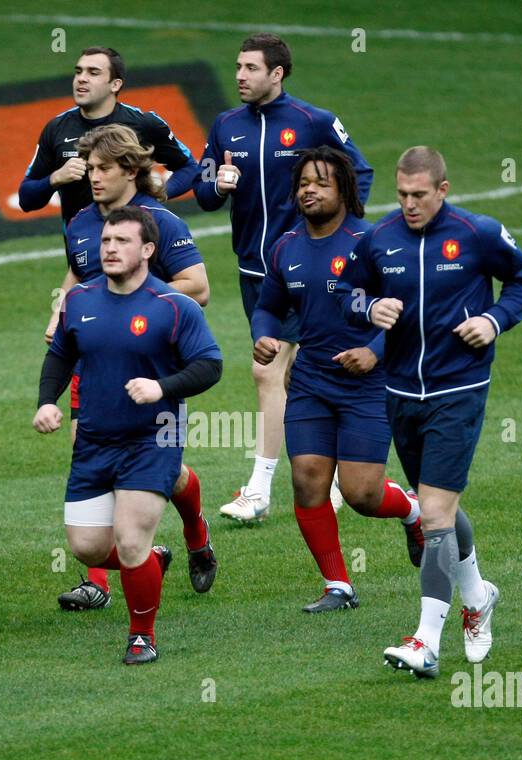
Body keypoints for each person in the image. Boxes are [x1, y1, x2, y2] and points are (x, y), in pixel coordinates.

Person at [341, 146, 522, 677]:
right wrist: (368, 307)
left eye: (419, 195)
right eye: (402, 195)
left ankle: (425, 642)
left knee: (432, 516)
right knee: (440, 510)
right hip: (401, 393)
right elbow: (349, 290)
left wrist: (495, 320)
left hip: (459, 390)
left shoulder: (478, 234)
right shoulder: (380, 240)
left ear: (443, 190)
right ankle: (478, 598)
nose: (408, 204)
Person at [194, 32, 372, 522]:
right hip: (254, 270)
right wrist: (216, 183)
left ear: (277, 73)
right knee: (298, 372)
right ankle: (335, 475)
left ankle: (258, 487)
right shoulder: (226, 125)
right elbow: (205, 196)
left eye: (250, 68)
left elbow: (362, 173)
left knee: (266, 370)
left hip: (304, 272)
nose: (239, 76)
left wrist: (332, 240)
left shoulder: (312, 121)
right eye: (237, 66)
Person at [34, 206, 222, 664]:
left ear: (148, 250)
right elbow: (61, 355)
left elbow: (210, 364)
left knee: (131, 539)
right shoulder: (79, 300)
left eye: (121, 241)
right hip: (95, 441)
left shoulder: (174, 306)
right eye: (105, 242)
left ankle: (142, 635)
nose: (110, 249)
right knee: (89, 547)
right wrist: (46, 401)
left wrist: (163, 387)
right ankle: (151, 565)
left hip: (152, 439)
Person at [251, 147, 425, 612]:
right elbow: (269, 306)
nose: (309, 189)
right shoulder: (286, 246)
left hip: (368, 385)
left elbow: (409, 312)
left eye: (321, 182)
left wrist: (374, 351)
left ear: (344, 190)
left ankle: (412, 511)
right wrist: (265, 337)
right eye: (304, 182)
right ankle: (338, 586)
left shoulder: (373, 244)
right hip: (310, 380)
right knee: (307, 480)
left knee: (361, 493)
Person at [50, 124, 216, 611]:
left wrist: (137, 300)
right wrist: (63, 309)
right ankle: (103, 577)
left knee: (167, 472)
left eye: (103, 169)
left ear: (131, 170)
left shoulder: (160, 222)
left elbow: (199, 287)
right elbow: (83, 274)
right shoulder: (81, 222)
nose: (93, 177)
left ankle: (195, 532)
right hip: (95, 360)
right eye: (91, 168)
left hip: (152, 365)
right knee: (86, 449)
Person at [17, 46, 199, 227]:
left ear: (115, 84)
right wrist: (55, 178)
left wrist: (159, 193)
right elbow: (26, 199)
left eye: (93, 73)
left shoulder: (145, 124)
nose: (81, 78)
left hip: (137, 244)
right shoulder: (56, 129)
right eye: (78, 72)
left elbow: (190, 168)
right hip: (82, 247)